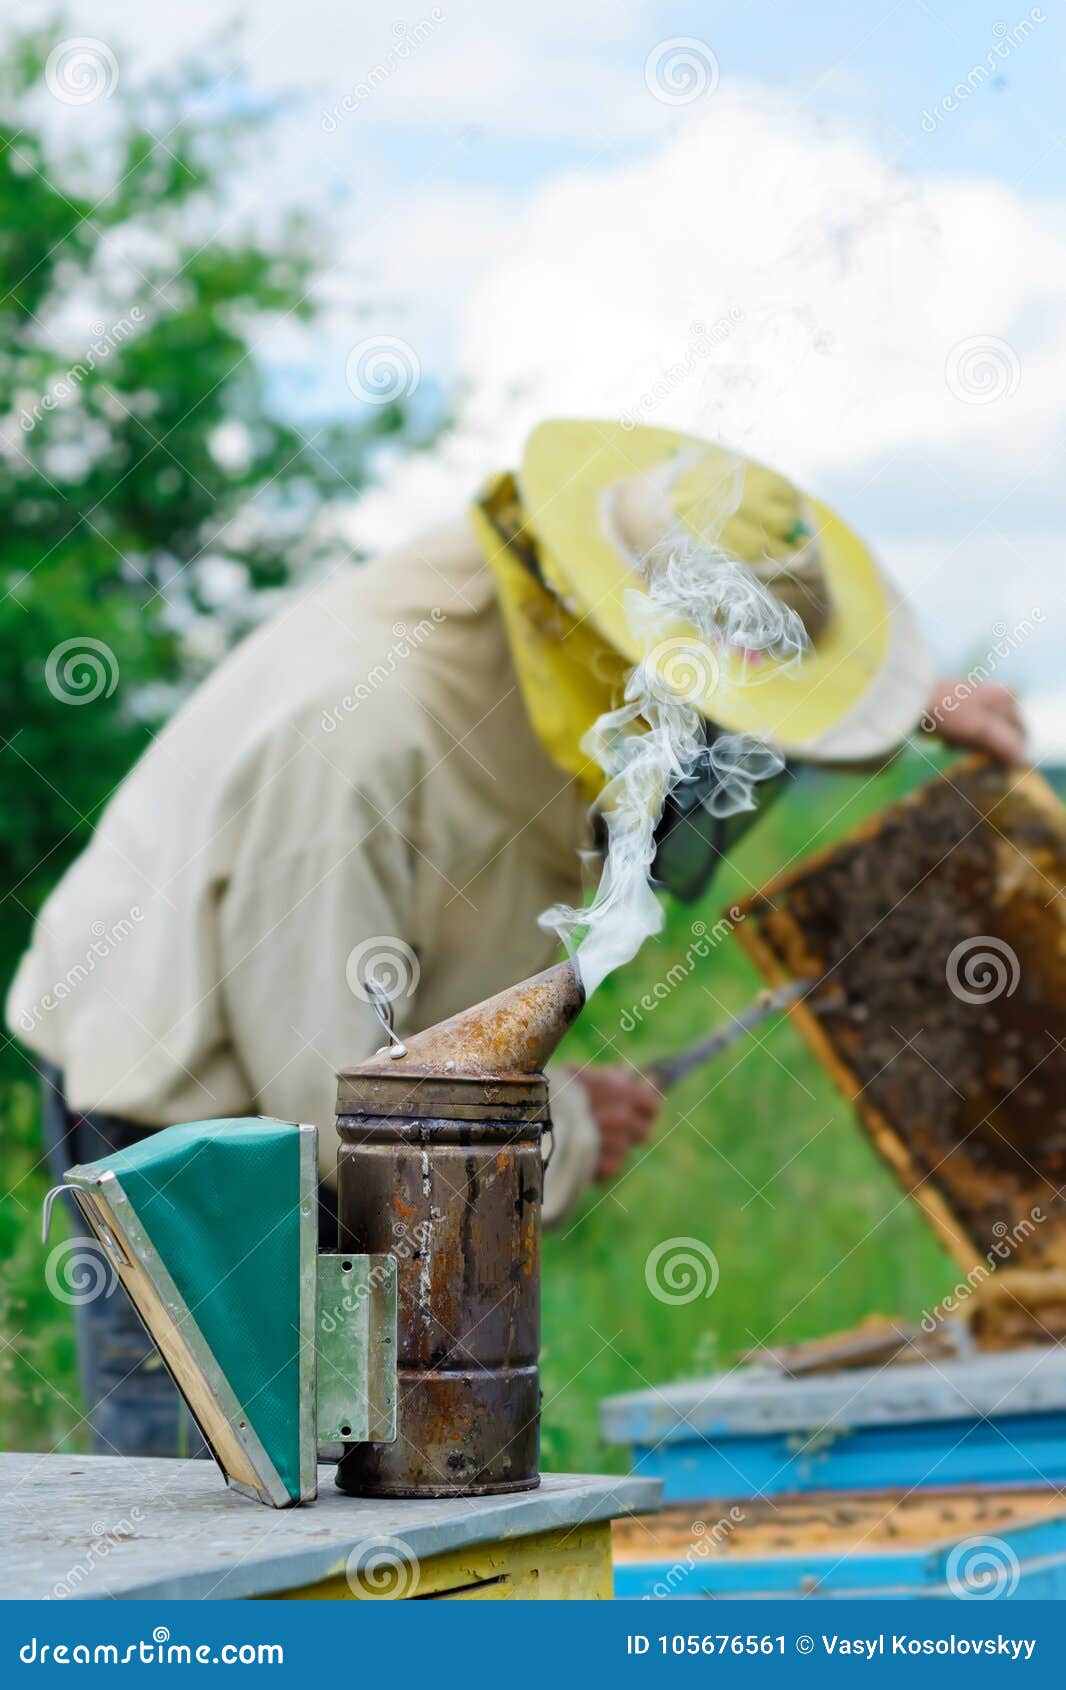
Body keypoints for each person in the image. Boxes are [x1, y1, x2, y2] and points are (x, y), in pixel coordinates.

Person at [8, 417, 1026, 1456]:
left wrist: (903, 709)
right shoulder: (364, 729)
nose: (729, 731)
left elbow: (723, 706)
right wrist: (564, 1128)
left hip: (357, 1072)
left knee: (379, 1457)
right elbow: (334, 1097)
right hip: (190, 1115)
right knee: (220, 1497)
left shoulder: (577, 615)